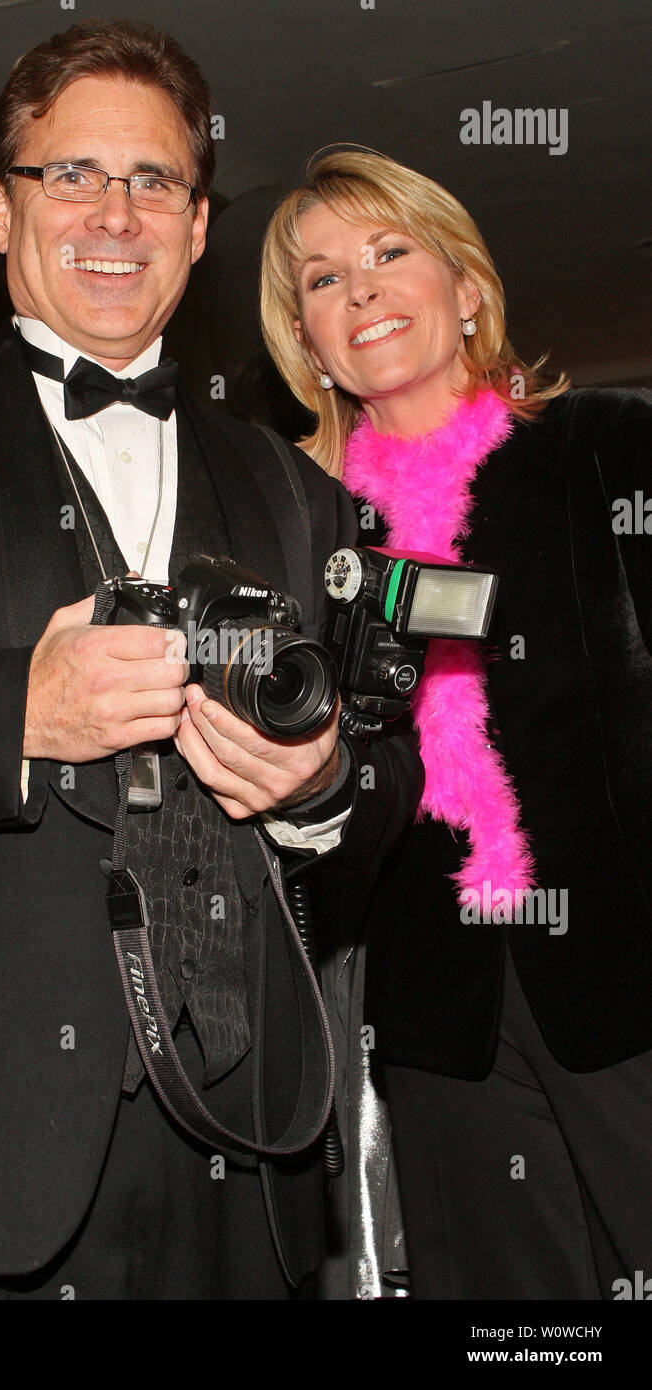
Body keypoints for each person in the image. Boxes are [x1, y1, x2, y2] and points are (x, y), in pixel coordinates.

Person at [0, 29, 422, 1300]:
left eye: (155, 183)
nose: (115, 215)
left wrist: (317, 786)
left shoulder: (297, 491)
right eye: (71, 174)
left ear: (196, 227)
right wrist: (11, 709)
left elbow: (384, 759)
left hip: (242, 1155)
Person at [259, 148, 652, 1299]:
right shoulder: (305, 530)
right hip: (438, 1013)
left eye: (389, 254)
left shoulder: (602, 449)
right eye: (324, 280)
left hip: (631, 977)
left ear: (466, 288)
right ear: (307, 338)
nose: (362, 292)